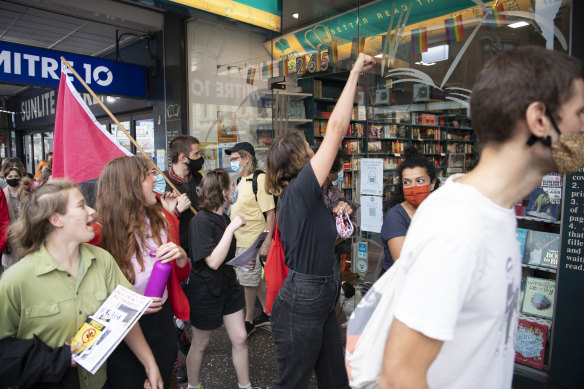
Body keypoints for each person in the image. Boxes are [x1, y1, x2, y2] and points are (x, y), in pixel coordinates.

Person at [379, 46, 584, 388]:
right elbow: (399, 376)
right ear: (539, 119)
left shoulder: (497, 212)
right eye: (579, 113)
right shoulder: (457, 224)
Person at [265, 53, 375, 388]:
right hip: (304, 297)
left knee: (334, 376)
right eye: (309, 149)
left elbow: (320, 239)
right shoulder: (298, 191)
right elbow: (338, 130)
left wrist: (338, 214)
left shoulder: (307, 197)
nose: (317, 150)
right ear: (299, 159)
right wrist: (354, 71)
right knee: (293, 382)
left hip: (322, 291)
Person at [0, 179, 163, 389]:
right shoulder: (15, 281)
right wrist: (58, 359)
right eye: (80, 205)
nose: (92, 211)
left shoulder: (102, 260)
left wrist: (150, 365)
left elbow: (124, 317)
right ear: (56, 219)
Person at [95, 156, 191, 389]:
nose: (156, 179)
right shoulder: (99, 235)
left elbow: (179, 276)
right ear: (129, 186)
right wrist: (132, 305)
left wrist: (181, 256)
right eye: (149, 175)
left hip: (161, 323)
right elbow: (92, 296)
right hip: (121, 331)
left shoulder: (163, 220)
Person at [184, 169, 252, 389]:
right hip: (205, 290)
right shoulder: (200, 221)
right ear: (222, 192)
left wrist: (243, 261)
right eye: (232, 185)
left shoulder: (224, 217)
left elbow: (225, 258)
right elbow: (212, 261)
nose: (235, 188)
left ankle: (245, 385)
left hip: (228, 287)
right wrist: (231, 229)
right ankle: (194, 386)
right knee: (201, 343)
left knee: (240, 337)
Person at [226, 142, 275, 335]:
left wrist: (266, 242)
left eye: (236, 158)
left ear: (247, 158)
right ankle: (267, 312)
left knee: (248, 281)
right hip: (241, 239)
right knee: (254, 279)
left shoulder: (260, 179)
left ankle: (249, 319)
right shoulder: (239, 181)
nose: (233, 162)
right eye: (232, 159)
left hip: (253, 240)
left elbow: (270, 213)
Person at [379, 146, 439, 277]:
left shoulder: (437, 211)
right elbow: (404, 265)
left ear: (432, 183)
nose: (413, 188)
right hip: (399, 288)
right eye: (407, 182)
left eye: (420, 181)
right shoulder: (396, 217)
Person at [163, 135, 204, 254]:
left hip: (199, 245)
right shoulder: (162, 181)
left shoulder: (198, 178)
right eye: (196, 154)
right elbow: (157, 221)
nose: (200, 158)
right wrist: (177, 210)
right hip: (176, 249)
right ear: (182, 158)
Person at [2, 158, 26, 268]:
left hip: (25, 234)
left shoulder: (27, 192)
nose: (13, 179)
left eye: (16, 176)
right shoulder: (3, 193)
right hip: (9, 237)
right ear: (5, 178)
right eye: (10, 177)